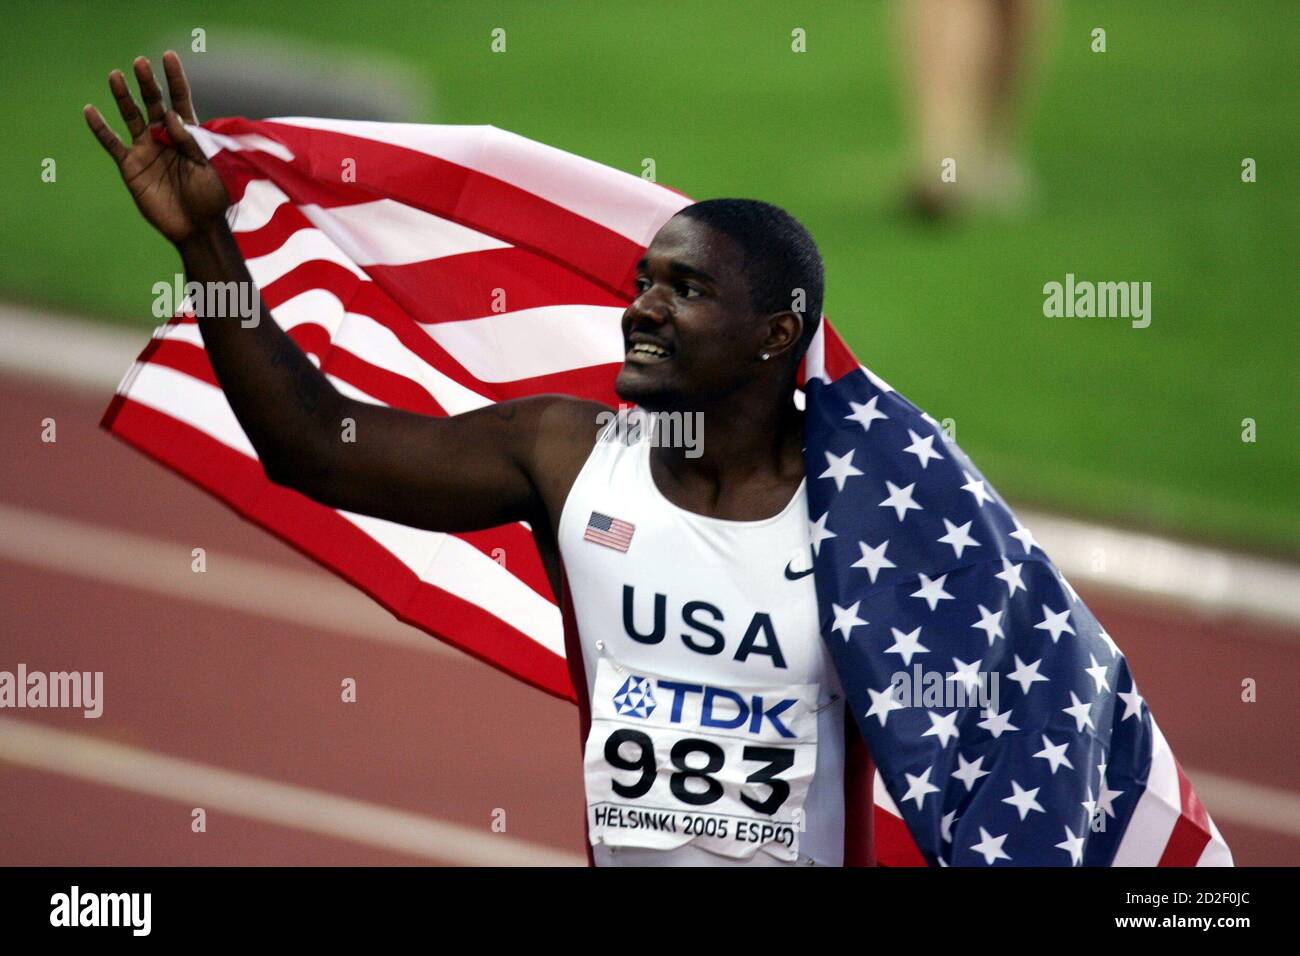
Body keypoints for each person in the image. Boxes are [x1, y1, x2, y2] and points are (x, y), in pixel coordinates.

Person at [86, 52, 857, 866]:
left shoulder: (863, 504)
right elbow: (313, 444)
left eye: (687, 290)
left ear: (777, 334)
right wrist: (208, 244)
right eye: (644, 281)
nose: (643, 309)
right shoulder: (567, 456)